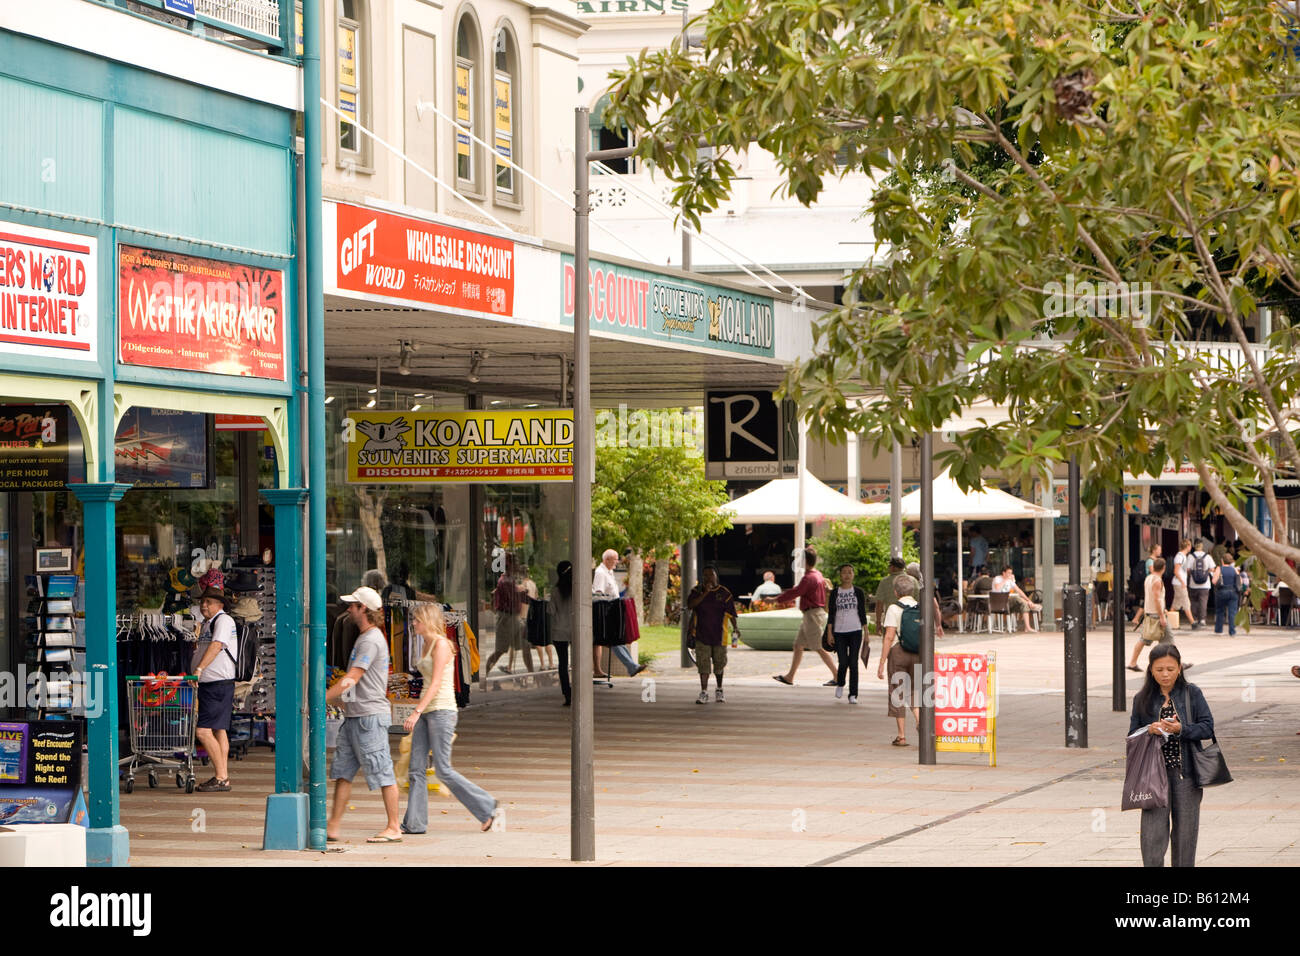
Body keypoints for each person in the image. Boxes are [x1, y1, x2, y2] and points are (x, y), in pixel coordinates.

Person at [400, 603, 497, 835]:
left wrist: (415, 712)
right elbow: (425, 682)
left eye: (417, 620)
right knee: (415, 769)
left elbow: (435, 684)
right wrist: (418, 709)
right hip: (427, 711)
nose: (413, 624)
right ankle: (414, 823)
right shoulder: (424, 643)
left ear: (428, 620)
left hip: (442, 711)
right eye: (413, 620)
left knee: (443, 769)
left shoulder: (442, 644)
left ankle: (486, 807)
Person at [326, 585, 402, 844]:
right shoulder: (365, 637)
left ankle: (394, 827)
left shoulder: (370, 640)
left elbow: (353, 678)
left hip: (369, 717)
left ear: (364, 610)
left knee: (382, 771)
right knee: (343, 772)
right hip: (356, 716)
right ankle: (333, 825)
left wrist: (323, 697)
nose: (348, 609)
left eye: (353, 605)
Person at [1128, 643, 1215, 867]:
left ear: (1179, 668)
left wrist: (1181, 729)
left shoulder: (1191, 693)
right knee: (1152, 835)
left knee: (1186, 833)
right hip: (1153, 776)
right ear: (1150, 670)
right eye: (1159, 670)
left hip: (1187, 775)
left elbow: (1207, 727)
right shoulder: (1142, 699)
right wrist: (1149, 729)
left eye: (1170, 669)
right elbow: (1132, 736)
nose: (1165, 674)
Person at [191, 586, 237, 793]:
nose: (203, 605)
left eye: (208, 602)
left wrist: (199, 669)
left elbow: (217, 645)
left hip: (216, 682)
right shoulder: (207, 623)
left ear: (220, 604)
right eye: (202, 601)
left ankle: (221, 777)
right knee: (218, 729)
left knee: (202, 730)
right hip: (213, 683)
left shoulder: (223, 621)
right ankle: (223, 775)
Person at [772, 547, 837, 686]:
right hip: (812, 614)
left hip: (812, 615)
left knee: (819, 647)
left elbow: (795, 592)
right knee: (798, 644)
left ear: (805, 561)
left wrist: (775, 599)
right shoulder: (817, 575)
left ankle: (838, 676)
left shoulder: (809, 578)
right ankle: (790, 676)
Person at [877, 574, 921, 746]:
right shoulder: (920, 607)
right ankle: (920, 720)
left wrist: (881, 662)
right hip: (917, 652)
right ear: (912, 591)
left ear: (896, 592)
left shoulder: (894, 609)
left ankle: (901, 735)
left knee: (898, 692)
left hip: (898, 652)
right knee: (915, 690)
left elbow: (889, 637)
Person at [686, 566, 739, 703]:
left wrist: (736, 628)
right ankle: (703, 692)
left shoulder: (724, 593)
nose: (709, 577)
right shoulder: (696, 591)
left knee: (719, 664)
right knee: (703, 665)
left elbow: (731, 614)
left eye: (711, 575)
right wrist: (705, 593)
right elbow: (691, 605)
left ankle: (719, 689)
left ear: (716, 576)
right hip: (701, 635)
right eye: (706, 575)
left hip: (719, 636)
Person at [592, 548, 645, 677]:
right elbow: (599, 594)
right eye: (615, 560)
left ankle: (631, 666)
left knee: (617, 641)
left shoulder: (608, 572)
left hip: (612, 612)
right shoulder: (601, 573)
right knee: (615, 641)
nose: (617, 562)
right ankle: (631, 666)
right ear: (607, 560)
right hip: (606, 613)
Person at [483, 555, 534, 677]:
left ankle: (532, 675)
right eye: (515, 562)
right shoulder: (506, 581)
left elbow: (518, 597)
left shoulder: (510, 580)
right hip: (506, 619)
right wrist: (521, 591)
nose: (517, 565)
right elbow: (514, 597)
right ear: (509, 565)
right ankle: (483, 675)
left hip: (514, 618)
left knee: (526, 647)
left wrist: (525, 595)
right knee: (500, 651)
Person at [827, 563, 867, 703]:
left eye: (850, 572)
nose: (847, 575)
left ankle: (853, 694)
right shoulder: (835, 592)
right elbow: (831, 613)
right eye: (844, 572)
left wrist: (866, 632)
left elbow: (862, 612)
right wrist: (829, 632)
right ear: (840, 575)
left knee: (853, 663)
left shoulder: (858, 592)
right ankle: (841, 683)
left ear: (853, 575)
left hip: (856, 630)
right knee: (843, 661)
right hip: (839, 631)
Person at [1128, 557, 1170, 672]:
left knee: (1144, 639)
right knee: (1169, 640)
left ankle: (1132, 662)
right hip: (1157, 615)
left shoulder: (1148, 578)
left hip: (1150, 614)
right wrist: (1162, 615)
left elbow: (1149, 598)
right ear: (1164, 568)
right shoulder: (1157, 581)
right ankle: (1177, 663)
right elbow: (1157, 599)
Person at [547, 562, 574, 705]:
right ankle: (580, 690)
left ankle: (567, 693)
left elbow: (551, 611)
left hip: (559, 631)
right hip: (575, 630)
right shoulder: (577, 589)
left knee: (562, 663)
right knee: (578, 662)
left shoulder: (556, 590)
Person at [991, 565, 1040, 632]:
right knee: (1016, 597)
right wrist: (1006, 579)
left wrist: (1028, 600)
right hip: (998, 602)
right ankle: (1032, 605)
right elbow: (997, 587)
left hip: (1008, 603)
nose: (1010, 574)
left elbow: (1018, 590)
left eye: (1011, 573)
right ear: (1004, 573)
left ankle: (1027, 627)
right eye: (1008, 573)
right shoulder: (997, 578)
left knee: (1024, 604)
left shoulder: (1010, 581)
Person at [873, 557, 907, 634]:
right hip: (909, 621)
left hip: (891, 621)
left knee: (889, 643)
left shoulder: (884, 582)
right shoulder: (912, 580)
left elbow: (879, 603)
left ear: (893, 567)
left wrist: (878, 622)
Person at [1185, 541, 1214, 628]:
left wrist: (1193, 575)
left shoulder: (1190, 556)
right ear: (1202, 547)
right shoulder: (1207, 556)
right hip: (1205, 584)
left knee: (1193, 601)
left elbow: (1188, 569)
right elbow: (1212, 569)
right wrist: (1205, 572)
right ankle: (1202, 620)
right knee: (1203, 602)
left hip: (1193, 584)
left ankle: (1194, 619)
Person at [1211, 552, 1241, 636]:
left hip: (1221, 592)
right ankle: (1232, 631)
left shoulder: (1219, 569)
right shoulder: (1235, 569)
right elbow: (1240, 581)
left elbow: (1214, 581)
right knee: (1232, 612)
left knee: (1220, 611)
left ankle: (1219, 630)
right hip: (1233, 592)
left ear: (1222, 560)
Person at [1170, 539, 1194, 628]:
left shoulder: (1184, 556)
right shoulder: (1179, 556)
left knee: (1176, 604)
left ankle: (1170, 622)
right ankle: (1192, 622)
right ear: (1187, 546)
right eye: (1190, 546)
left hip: (1180, 582)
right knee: (1186, 602)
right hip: (1179, 583)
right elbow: (1176, 571)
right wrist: (1182, 582)